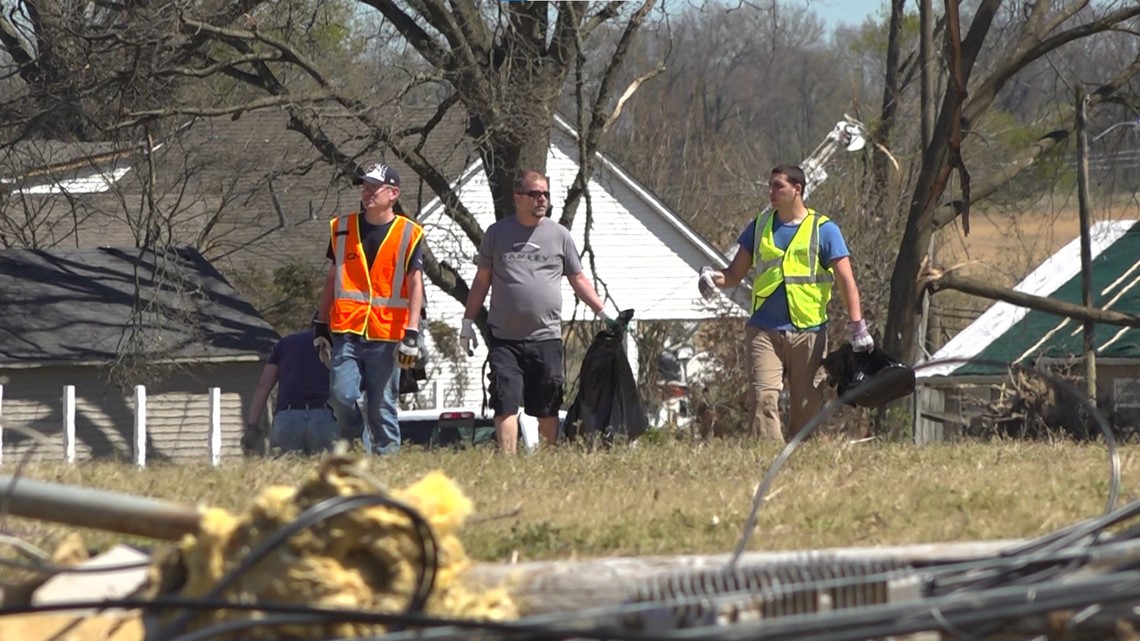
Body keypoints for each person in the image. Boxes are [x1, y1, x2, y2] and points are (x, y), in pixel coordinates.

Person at [698, 164, 873, 443]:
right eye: (769, 186)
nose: (771, 192)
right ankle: (767, 462)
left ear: (797, 190)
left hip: (810, 332)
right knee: (763, 398)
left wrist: (858, 326)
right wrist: (711, 278)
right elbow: (733, 274)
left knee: (807, 407)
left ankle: (797, 461)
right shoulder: (759, 227)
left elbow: (846, 280)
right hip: (764, 331)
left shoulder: (824, 230)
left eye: (778, 186)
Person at [459, 170, 612, 454]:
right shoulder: (497, 234)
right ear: (518, 198)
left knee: (548, 405)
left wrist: (604, 313)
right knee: (505, 401)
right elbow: (482, 280)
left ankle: (547, 459)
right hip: (505, 339)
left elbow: (578, 279)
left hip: (546, 337)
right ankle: (509, 463)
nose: (542, 199)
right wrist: (468, 321)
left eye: (545, 194)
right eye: (535, 194)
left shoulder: (559, 236)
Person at [313, 162, 424, 454]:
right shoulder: (341, 228)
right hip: (347, 331)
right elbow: (332, 278)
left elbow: (415, 285)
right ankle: (355, 450)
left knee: (382, 404)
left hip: (388, 334)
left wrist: (412, 333)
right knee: (341, 395)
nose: (367, 192)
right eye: (364, 186)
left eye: (374, 187)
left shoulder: (409, 233)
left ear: (394, 193)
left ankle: (388, 462)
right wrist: (321, 323)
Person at [242, 328, 338, 456]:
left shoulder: (285, 344)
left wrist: (252, 427)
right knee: (327, 473)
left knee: (288, 472)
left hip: (288, 418)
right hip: (324, 417)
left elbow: (263, 386)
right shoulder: (338, 345)